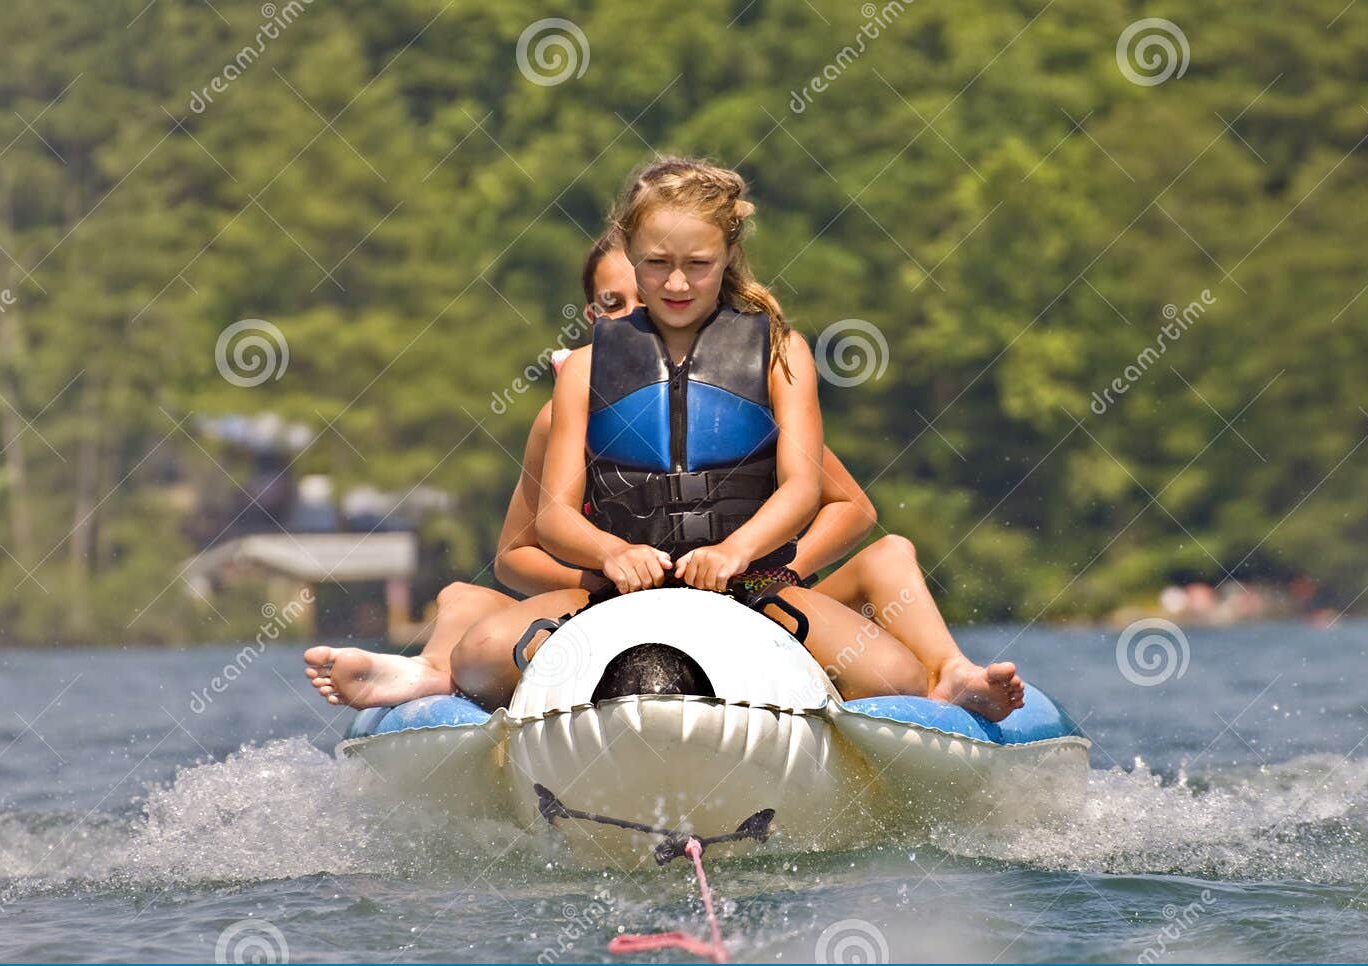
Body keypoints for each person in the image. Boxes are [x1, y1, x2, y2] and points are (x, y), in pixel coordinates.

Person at [306, 213, 1022, 718]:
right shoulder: (568, 402)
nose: (650, 301)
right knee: (465, 601)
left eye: (683, 274)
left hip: (751, 587)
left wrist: (765, 567)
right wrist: (610, 564)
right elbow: (518, 553)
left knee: (893, 574)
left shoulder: (742, 392)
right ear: (592, 313)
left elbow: (843, 504)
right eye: (614, 300)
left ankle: (949, 677)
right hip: (609, 594)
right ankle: (431, 679)